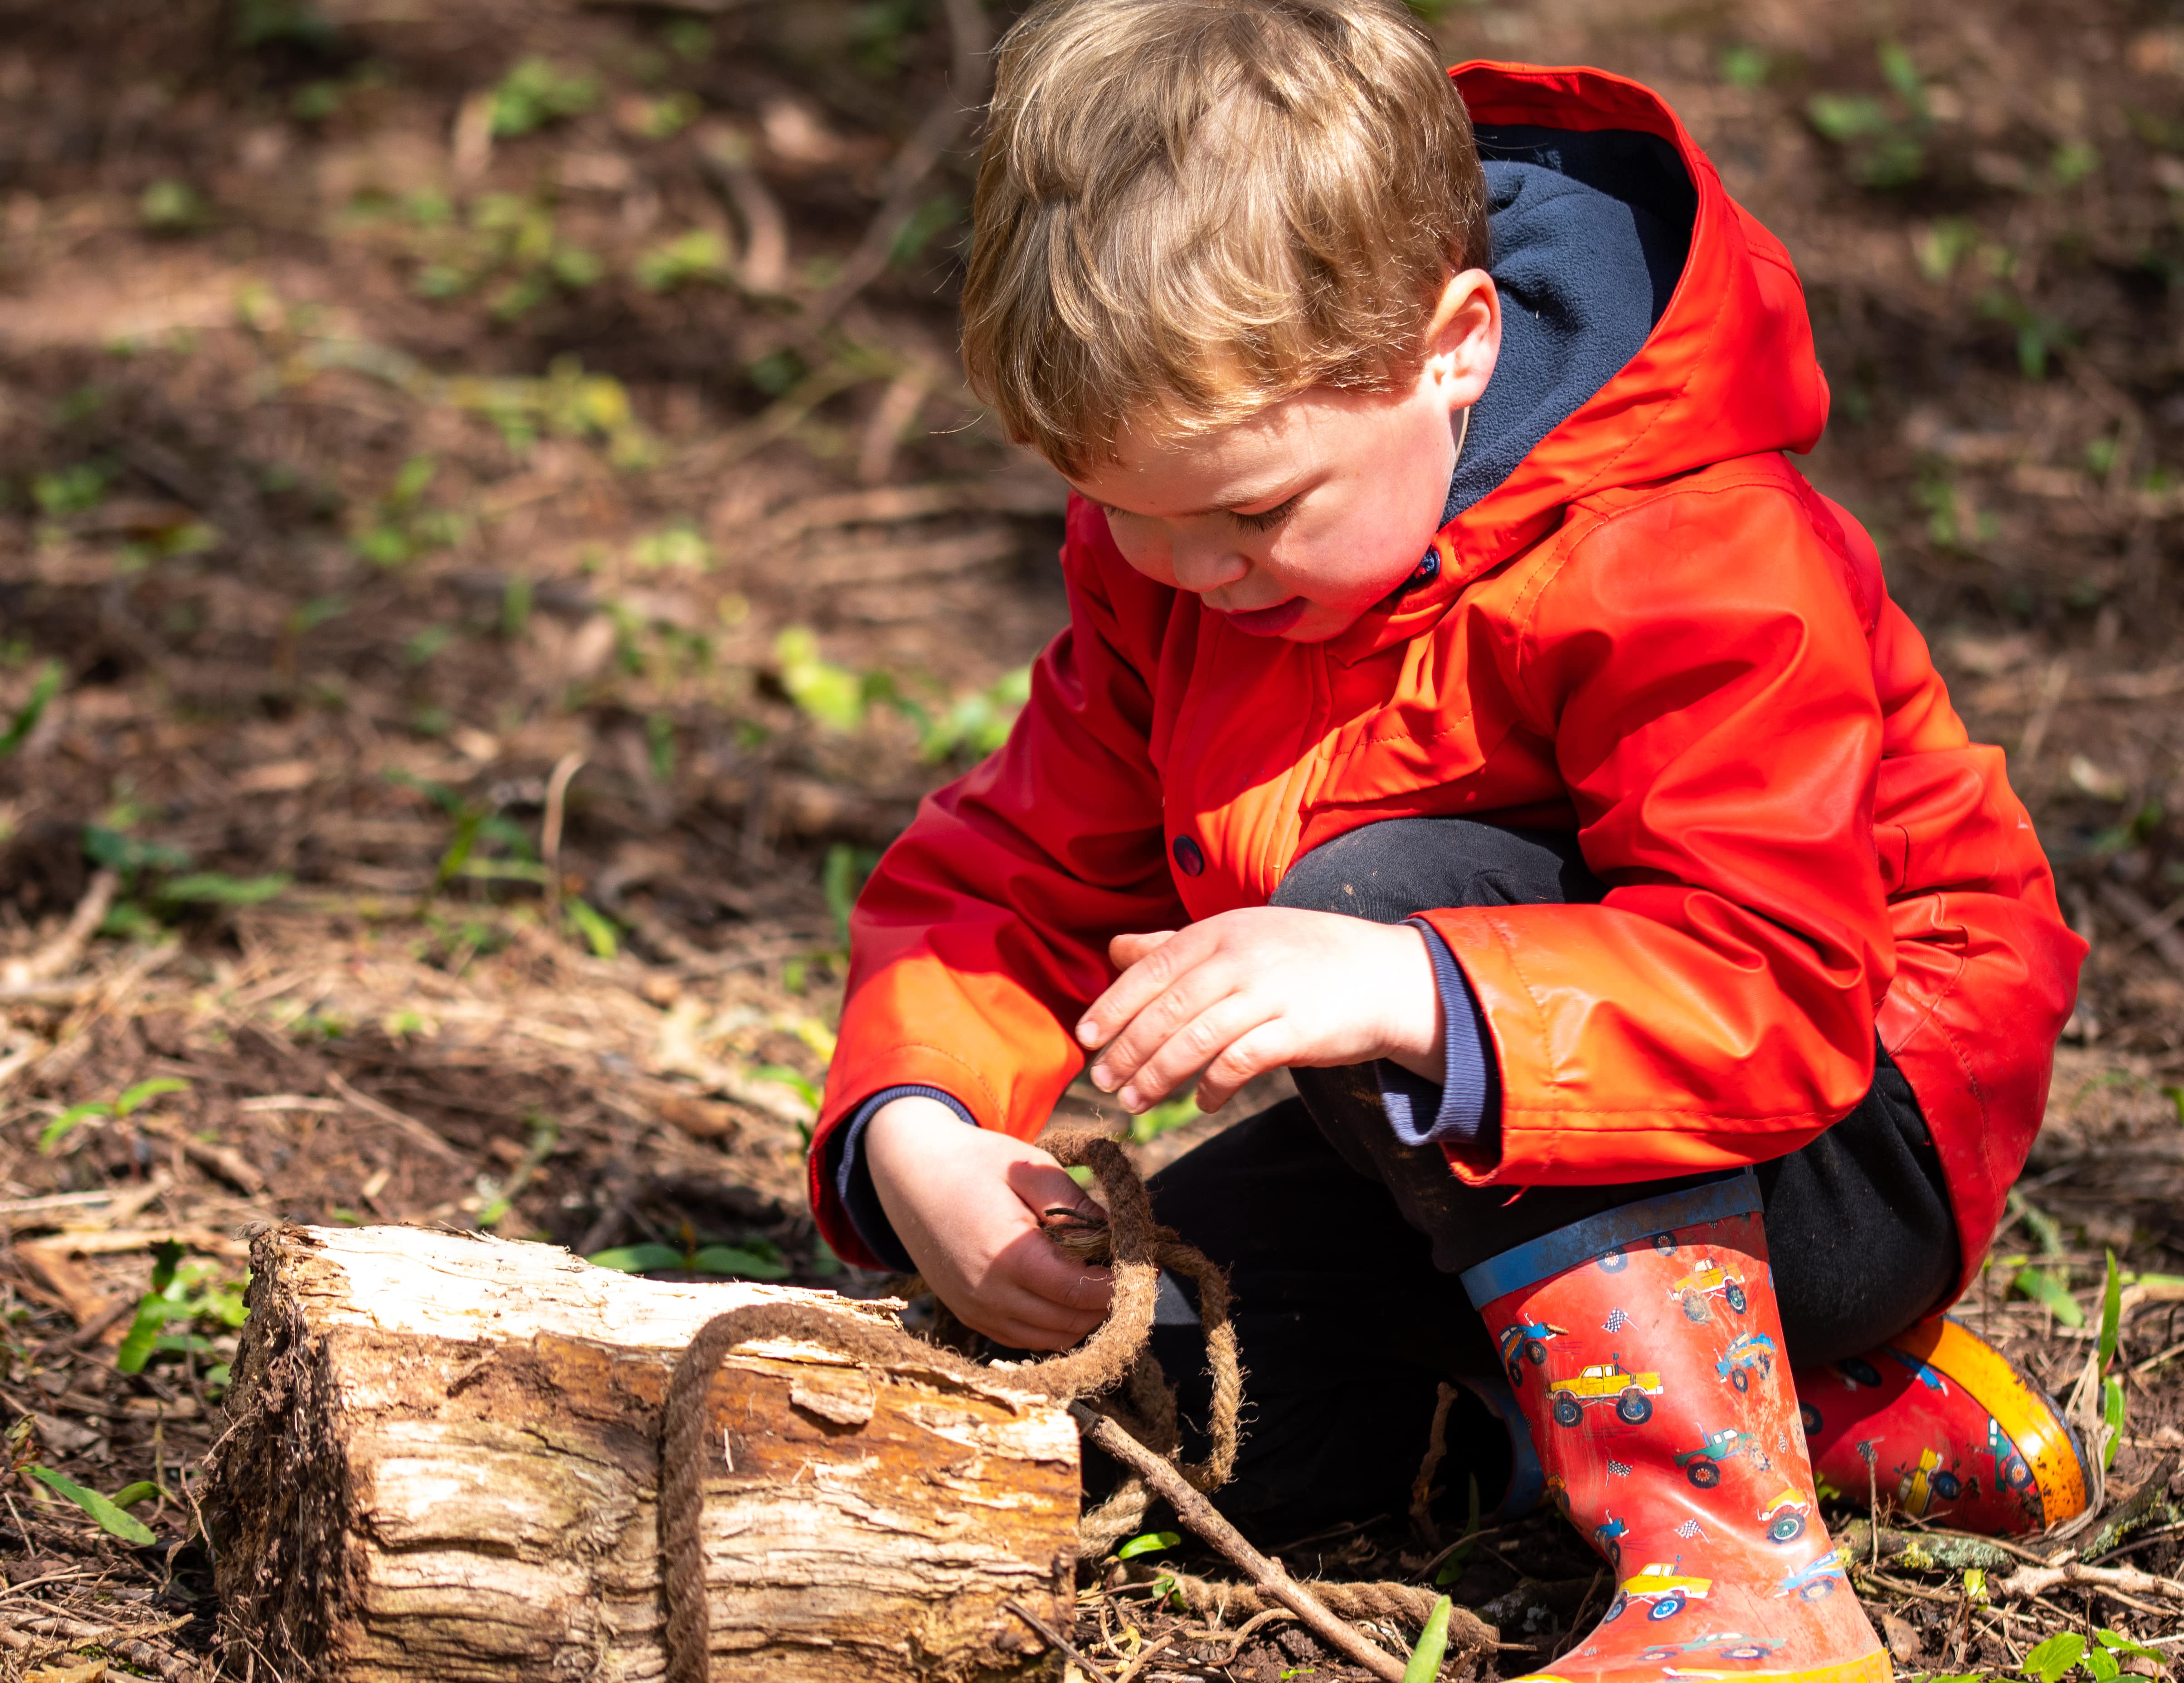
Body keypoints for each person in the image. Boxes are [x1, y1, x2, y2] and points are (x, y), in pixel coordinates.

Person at [805, 1, 2089, 1674]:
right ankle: (1824, 1423)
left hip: (1840, 1135)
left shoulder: (1684, 548)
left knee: (1385, 891)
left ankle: (1739, 1579)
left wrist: (1409, 984)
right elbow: (1012, 876)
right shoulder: (1186, 564)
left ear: (1455, 346)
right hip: (1487, 1169)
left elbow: (1775, 981)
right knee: (1154, 1380)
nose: (1190, 569)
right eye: (1126, 509)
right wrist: (917, 1130)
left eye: (1254, 510)